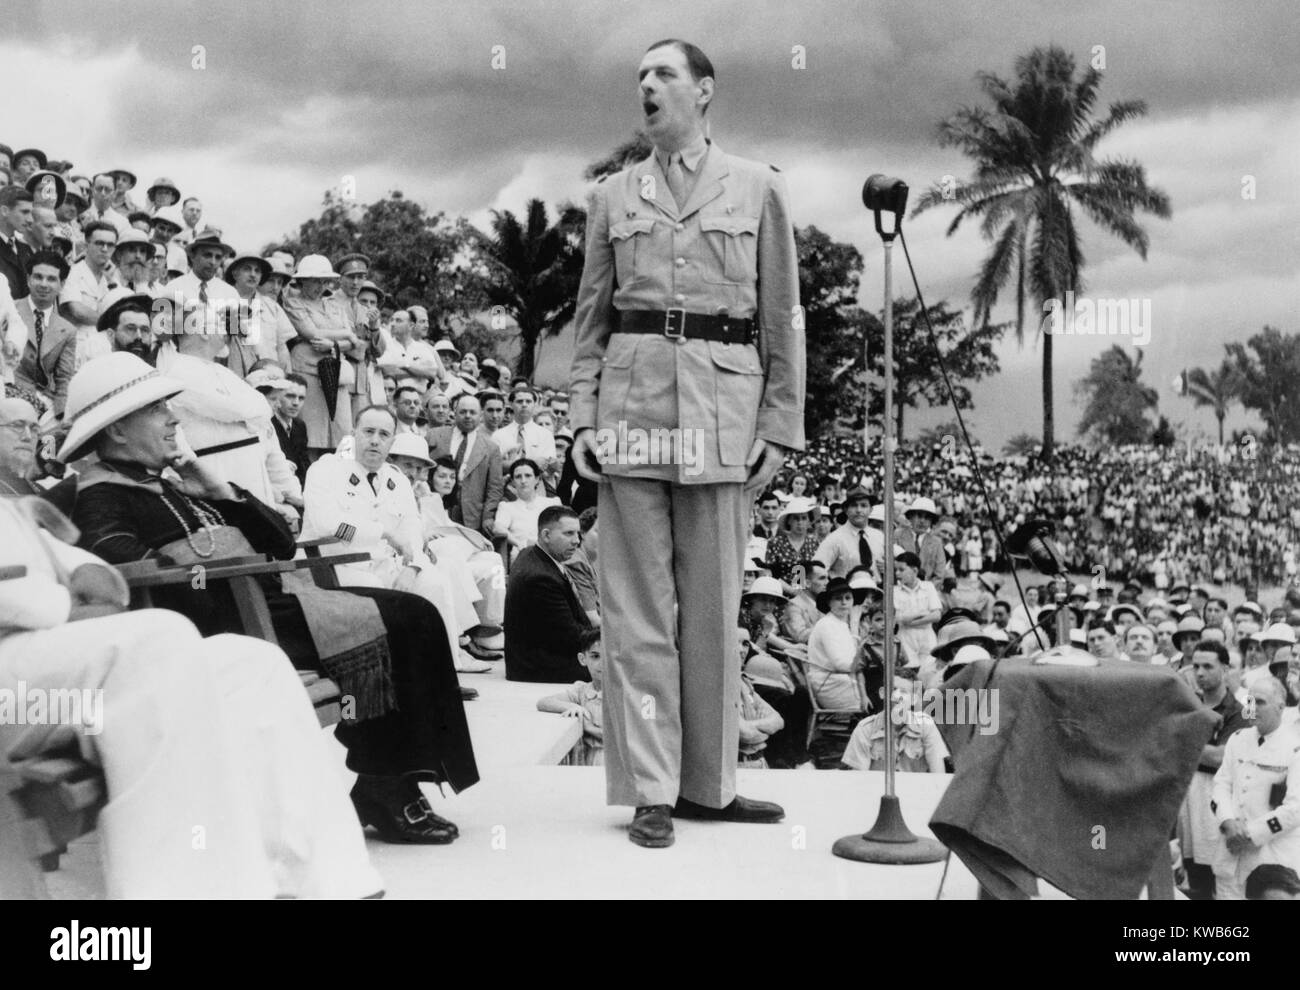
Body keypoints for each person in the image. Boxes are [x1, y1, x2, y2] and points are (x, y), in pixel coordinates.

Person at [60, 353, 478, 844]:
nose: (174, 419)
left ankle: (388, 782)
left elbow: (280, 542)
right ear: (117, 432)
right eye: (158, 411)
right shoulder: (100, 495)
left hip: (271, 602)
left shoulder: (171, 483)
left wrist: (220, 491)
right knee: (404, 624)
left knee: (418, 614)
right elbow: (122, 568)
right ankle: (388, 789)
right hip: (228, 625)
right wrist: (208, 569)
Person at [569, 38, 802, 847]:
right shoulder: (610, 198)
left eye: (664, 74)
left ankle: (710, 785)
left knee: (713, 609)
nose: (647, 85)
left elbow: (783, 318)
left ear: (704, 92)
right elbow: (589, 323)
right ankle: (650, 790)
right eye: (639, 75)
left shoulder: (759, 188)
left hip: (722, 418)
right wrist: (580, 422)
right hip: (630, 416)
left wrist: (780, 424)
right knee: (636, 615)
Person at [0, 496, 383, 898]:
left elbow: (105, 585)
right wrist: (62, 605)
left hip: (52, 657)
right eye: (16, 427)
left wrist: (74, 582)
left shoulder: (12, 506)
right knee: (156, 642)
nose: (28, 432)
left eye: (29, 425)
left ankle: (326, 880)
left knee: (249, 663)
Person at [300, 403, 486, 672]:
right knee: (380, 590)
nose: (375, 440)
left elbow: (412, 532)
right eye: (368, 431)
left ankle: (444, 673)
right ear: (354, 433)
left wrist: (413, 567)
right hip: (335, 565)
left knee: (433, 582)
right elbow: (326, 525)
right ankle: (387, 677)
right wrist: (383, 532)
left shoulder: (396, 479)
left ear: (392, 441)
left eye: (384, 434)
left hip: (385, 565)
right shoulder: (326, 469)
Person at [390, 442, 506, 655]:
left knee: (494, 561)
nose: (414, 473)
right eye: (441, 476)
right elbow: (428, 529)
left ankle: (492, 625)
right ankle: (467, 632)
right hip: (423, 554)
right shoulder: (406, 491)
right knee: (450, 557)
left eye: (418, 468)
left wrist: (477, 537)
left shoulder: (427, 496)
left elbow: (448, 524)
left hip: (437, 551)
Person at [1212, 677, 1300, 899]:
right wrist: (1228, 822)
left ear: (1281, 707)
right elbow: (1221, 784)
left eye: (1259, 702)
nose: (1251, 707)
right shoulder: (1237, 739)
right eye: (1249, 701)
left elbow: (1295, 808)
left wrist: (1248, 836)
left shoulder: (1294, 748)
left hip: (1271, 858)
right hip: (1231, 855)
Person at [1177, 639, 1250, 900]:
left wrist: (1179, 743)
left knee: (1218, 875)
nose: (1199, 673)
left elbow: (1221, 757)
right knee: (1192, 875)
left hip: (1216, 799)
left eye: (1208, 666)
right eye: (1195, 666)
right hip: (1186, 798)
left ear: (1225, 668)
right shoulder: (1188, 704)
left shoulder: (1239, 712)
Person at [504, 504, 593, 683]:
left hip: (538, 658)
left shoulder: (530, 554)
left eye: (577, 534)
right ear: (546, 535)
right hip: (541, 667)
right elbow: (572, 638)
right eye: (568, 534)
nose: (576, 541)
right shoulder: (541, 578)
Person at [282, 254, 360, 457]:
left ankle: (343, 483)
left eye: (324, 281)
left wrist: (333, 344)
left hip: (336, 372)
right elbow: (310, 333)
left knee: (342, 434)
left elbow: (354, 344)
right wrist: (346, 335)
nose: (320, 286)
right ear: (302, 281)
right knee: (312, 435)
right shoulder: (294, 303)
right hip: (308, 371)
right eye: (315, 280)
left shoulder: (335, 305)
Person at [427, 392, 504, 539]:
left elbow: (495, 487)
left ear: (480, 416)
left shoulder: (491, 448)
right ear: (454, 413)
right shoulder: (434, 436)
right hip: (435, 506)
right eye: (463, 412)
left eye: (472, 412)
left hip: (470, 514)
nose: (467, 416)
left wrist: (488, 516)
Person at [841, 673, 949, 773]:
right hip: (876, 790)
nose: (897, 696)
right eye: (893, 689)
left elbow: (938, 774)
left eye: (903, 691)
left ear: (913, 699)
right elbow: (860, 779)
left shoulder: (925, 725)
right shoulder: (865, 728)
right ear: (882, 693)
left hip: (916, 790)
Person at [12, 251, 76, 415]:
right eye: (38, 277)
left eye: (51, 279)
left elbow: (64, 378)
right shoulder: (8, 310)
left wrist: (60, 414)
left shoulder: (67, 330)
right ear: (28, 280)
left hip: (44, 403)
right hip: (8, 395)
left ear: (62, 284)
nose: (44, 284)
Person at [537, 627, 605, 765]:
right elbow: (543, 702)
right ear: (582, 659)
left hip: (614, 761)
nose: (602, 663)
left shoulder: (622, 693)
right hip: (588, 759)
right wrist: (573, 706)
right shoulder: (582, 690)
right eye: (595, 656)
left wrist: (588, 727)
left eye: (608, 656)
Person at [805, 576, 864, 711]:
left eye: (848, 598)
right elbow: (839, 663)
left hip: (841, 679)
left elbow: (852, 657)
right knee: (880, 685)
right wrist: (863, 667)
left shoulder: (841, 624)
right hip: (829, 684)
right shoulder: (827, 625)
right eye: (838, 598)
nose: (844, 603)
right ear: (829, 602)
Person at [494, 457, 560, 562]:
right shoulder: (507, 507)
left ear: (537, 479)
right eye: (518, 477)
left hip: (549, 554)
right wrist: (519, 543)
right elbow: (498, 528)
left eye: (528, 476)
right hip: (522, 555)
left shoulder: (552, 503)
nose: (523, 481)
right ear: (513, 481)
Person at [736, 625, 784, 767]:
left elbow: (778, 720)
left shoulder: (744, 682)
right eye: (734, 642)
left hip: (760, 762)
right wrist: (764, 727)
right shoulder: (716, 686)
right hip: (738, 765)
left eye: (745, 644)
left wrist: (752, 725)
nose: (741, 650)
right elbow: (745, 734)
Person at [813, 487, 879, 580]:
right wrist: (798, 590)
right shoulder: (835, 539)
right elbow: (813, 569)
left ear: (870, 510)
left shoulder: (879, 537)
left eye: (864, 505)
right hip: (845, 591)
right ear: (846, 509)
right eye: (854, 505)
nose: (859, 510)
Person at [894, 551, 941, 669]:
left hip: (927, 637)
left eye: (901, 569)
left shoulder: (928, 587)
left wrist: (910, 621)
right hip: (905, 637)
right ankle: (915, 689)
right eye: (896, 570)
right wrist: (923, 613)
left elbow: (936, 616)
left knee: (928, 671)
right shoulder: (895, 591)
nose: (897, 573)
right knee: (910, 671)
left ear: (914, 571)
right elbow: (899, 619)